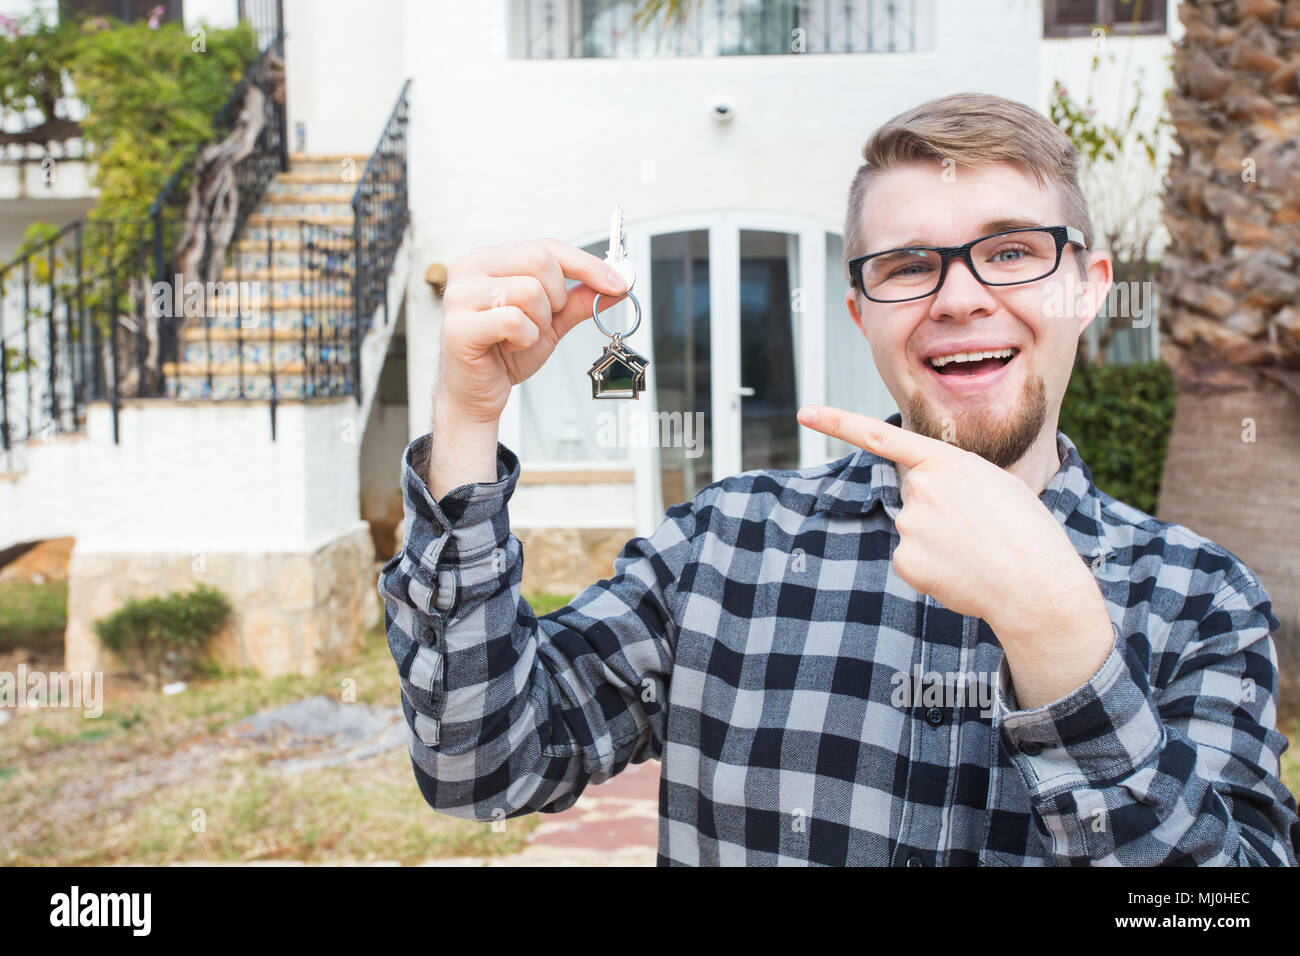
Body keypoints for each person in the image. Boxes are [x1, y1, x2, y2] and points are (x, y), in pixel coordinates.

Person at [378, 92, 1299, 866]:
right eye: (908, 266)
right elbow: (479, 765)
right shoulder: (724, 546)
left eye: (1012, 251)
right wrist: (467, 415)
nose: (961, 295)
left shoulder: (1202, 601)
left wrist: (1059, 636)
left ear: (1089, 285)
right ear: (861, 313)